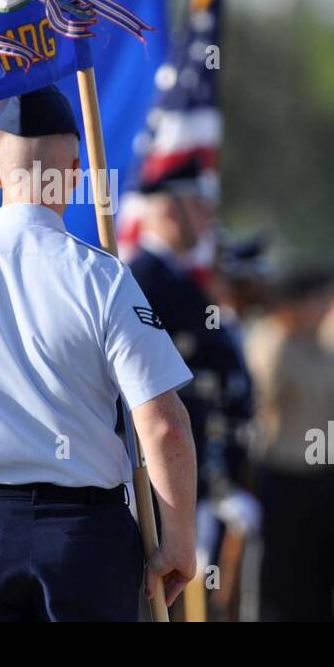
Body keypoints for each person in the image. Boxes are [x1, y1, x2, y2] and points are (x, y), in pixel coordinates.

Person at [0, 85, 199, 622]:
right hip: (86, 541)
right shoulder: (105, 280)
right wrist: (178, 541)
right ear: (74, 173)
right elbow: (164, 427)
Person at [125, 158, 255, 616]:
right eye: (198, 207)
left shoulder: (183, 281)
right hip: (160, 482)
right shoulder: (143, 279)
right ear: (167, 211)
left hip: (195, 476)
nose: (208, 219)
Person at [248, 266, 334, 622]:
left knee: (315, 583)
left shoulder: (318, 346)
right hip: (282, 473)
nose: (325, 308)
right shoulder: (273, 341)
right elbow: (261, 401)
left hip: (318, 475)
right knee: (281, 583)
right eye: (318, 300)